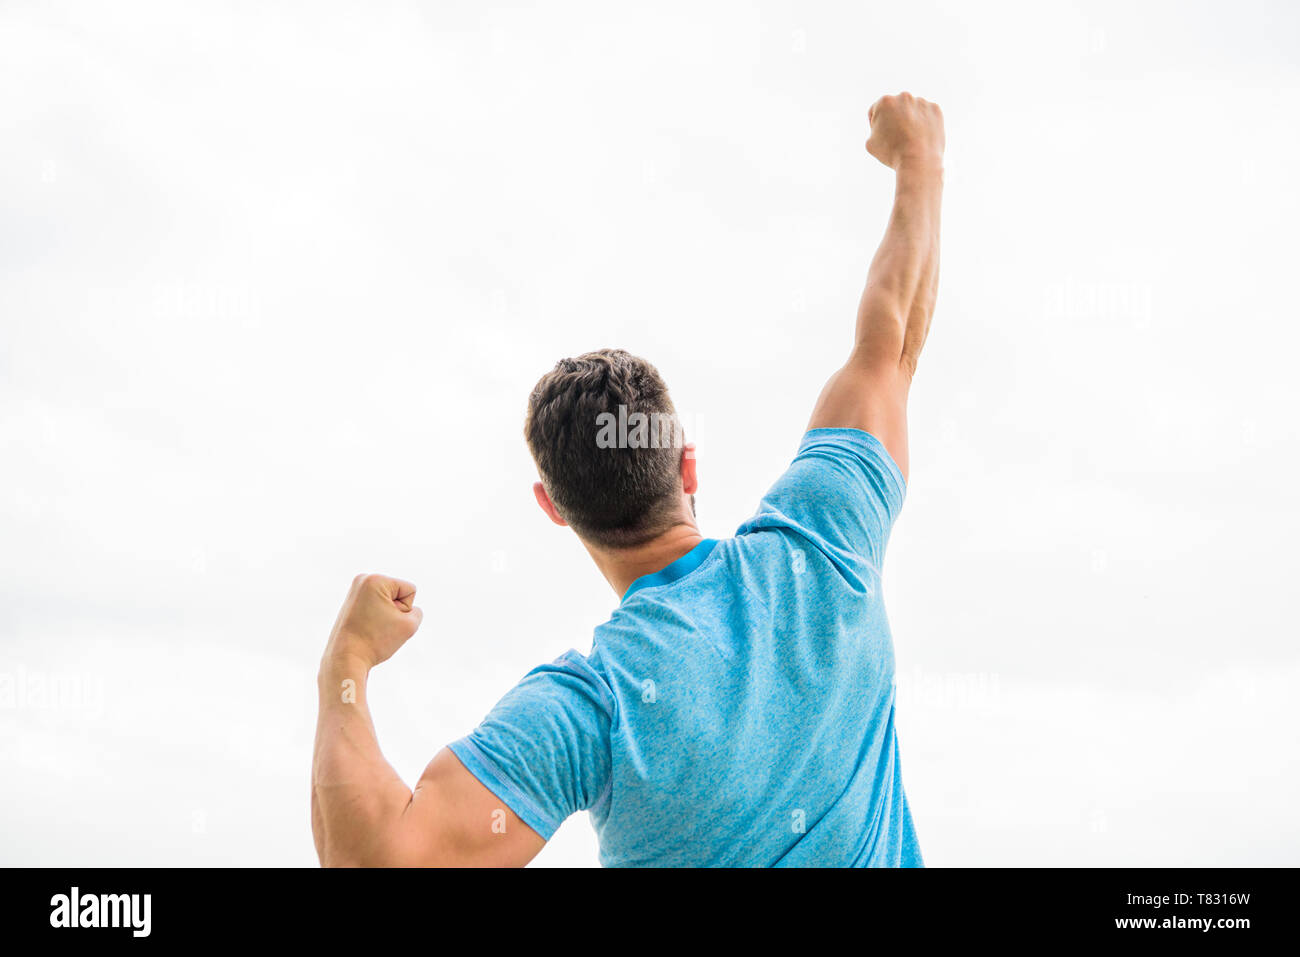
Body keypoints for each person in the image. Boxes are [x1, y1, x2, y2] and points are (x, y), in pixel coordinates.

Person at [311, 92, 944, 867]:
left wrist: (345, 666)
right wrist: (920, 162)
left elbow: (385, 861)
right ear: (687, 463)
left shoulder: (593, 712)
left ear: (553, 507)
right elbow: (890, 341)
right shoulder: (821, 543)